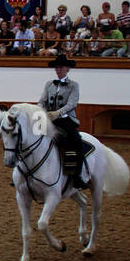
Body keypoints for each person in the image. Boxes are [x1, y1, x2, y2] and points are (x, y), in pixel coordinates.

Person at [38, 52, 85, 188]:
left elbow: (72, 104)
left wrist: (58, 113)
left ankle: (77, 175)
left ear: (67, 69)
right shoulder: (49, 84)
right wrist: (40, 111)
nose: (58, 70)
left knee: (77, 143)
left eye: (61, 68)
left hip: (65, 119)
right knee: (28, 137)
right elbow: (42, 101)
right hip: (48, 119)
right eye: (57, 68)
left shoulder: (74, 85)